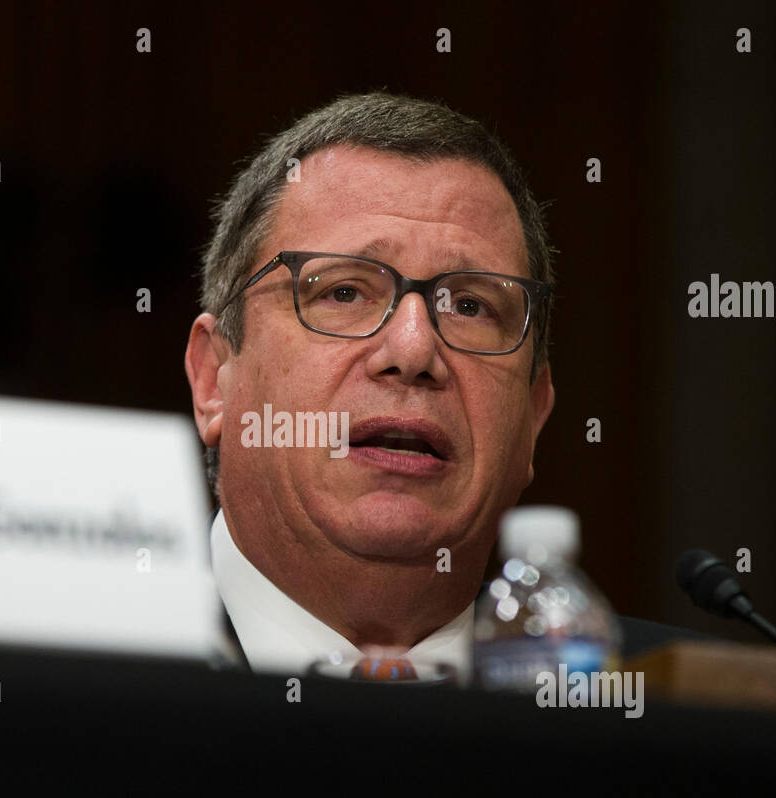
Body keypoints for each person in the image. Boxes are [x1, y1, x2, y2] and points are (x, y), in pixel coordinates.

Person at [185, 91, 695, 683]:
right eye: (344, 292)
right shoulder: (70, 667)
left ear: (533, 416)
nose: (412, 351)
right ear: (212, 382)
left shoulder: (685, 712)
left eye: (471, 306)